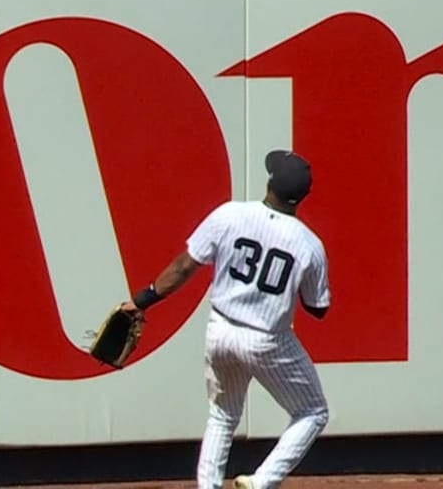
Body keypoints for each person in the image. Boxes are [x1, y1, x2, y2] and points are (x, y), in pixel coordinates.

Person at [119, 150, 330, 489]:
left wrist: (144, 299)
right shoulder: (309, 244)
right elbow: (318, 308)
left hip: (221, 330)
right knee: (313, 412)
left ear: (269, 183)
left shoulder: (230, 215)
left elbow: (185, 266)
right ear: (302, 197)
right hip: (267, 340)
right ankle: (261, 483)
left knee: (222, 416)